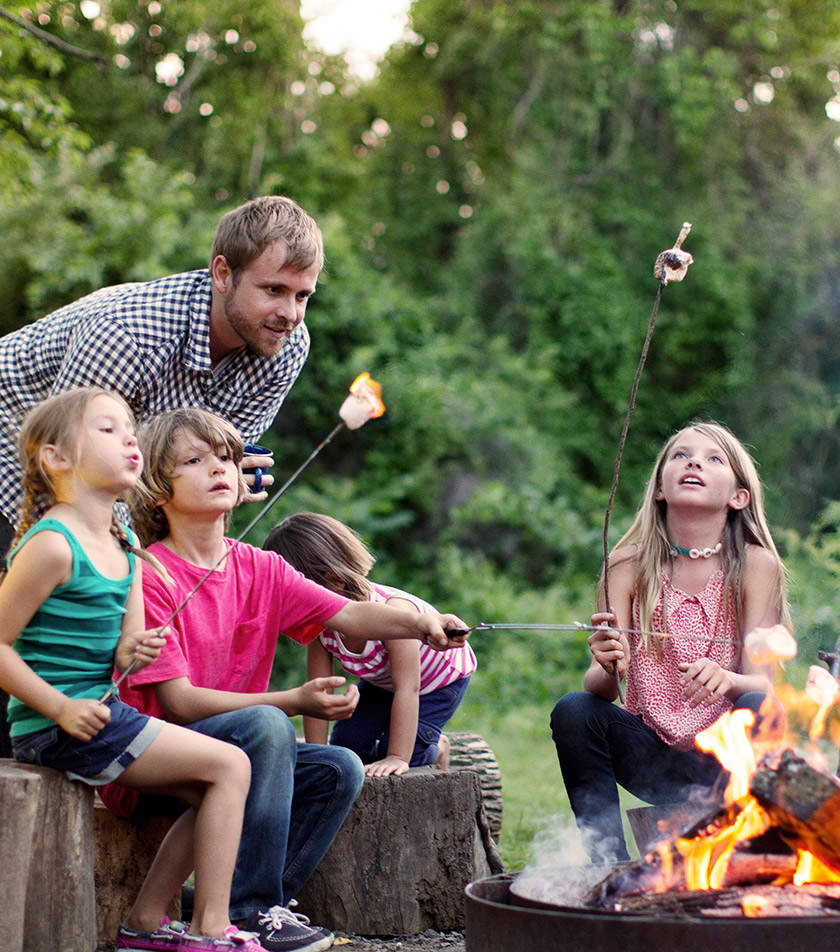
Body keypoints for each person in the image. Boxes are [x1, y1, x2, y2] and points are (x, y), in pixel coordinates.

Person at [99, 408, 469, 952]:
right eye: (195, 461)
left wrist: (421, 621)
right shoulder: (150, 574)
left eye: (225, 457)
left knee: (337, 767)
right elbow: (176, 702)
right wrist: (293, 700)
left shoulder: (261, 567)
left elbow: (349, 613)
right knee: (268, 724)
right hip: (157, 757)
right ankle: (245, 913)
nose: (219, 469)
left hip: (239, 752)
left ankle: (266, 904)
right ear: (158, 488)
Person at [0, 193, 322, 756]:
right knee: (43, 621)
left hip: (112, 470)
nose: (290, 314)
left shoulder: (285, 346)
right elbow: (73, 474)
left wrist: (223, 482)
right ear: (222, 272)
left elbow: (215, 460)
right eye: (273, 290)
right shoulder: (130, 333)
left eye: (303, 296)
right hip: (22, 449)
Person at [0, 387, 268, 952]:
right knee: (229, 767)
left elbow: (122, 653)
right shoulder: (52, 545)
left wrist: (137, 651)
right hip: (55, 727)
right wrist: (60, 707)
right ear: (56, 458)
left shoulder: (123, 547)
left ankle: (146, 923)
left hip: (102, 716)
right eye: (107, 429)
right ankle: (212, 929)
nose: (129, 437)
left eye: (130, 428)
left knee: (216, 782)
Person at [550, 421, 791, 865]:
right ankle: (607, 863)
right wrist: (606, 666)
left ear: (739, 497)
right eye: (680, 455)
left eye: (714, 458)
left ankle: (749, 847)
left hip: (725, 759)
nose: (694, 461)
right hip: (651, 756)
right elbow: (602, 690)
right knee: (574, 709)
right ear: (660, 488)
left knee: (758, 702)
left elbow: (763, 687)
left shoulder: (756, 566)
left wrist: (727, 677)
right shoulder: (625, 565)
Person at [262, 512, 477, 777]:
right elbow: (318, 691)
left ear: (334, 581)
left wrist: (397, 756)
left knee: (406, 753)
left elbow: (408, 687)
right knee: (347, 744)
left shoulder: (392, 614)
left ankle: (438, 747)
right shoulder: (318, 623)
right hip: (382, 681)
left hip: (437, 681)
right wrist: (318, 754)